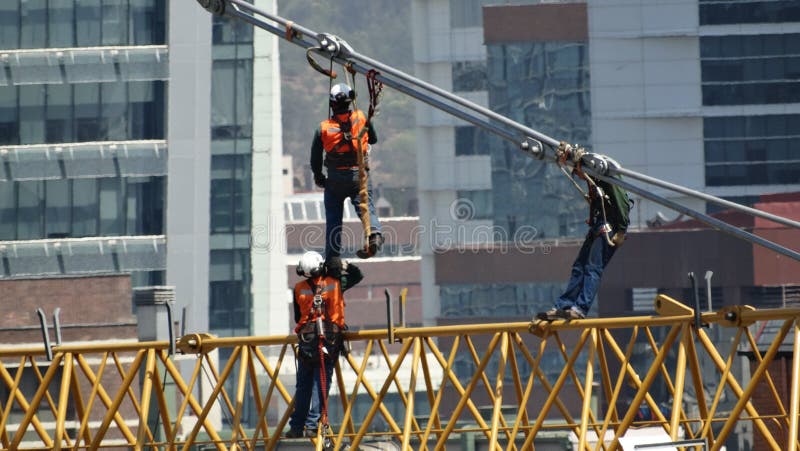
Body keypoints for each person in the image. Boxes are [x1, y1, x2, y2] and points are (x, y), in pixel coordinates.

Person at [537, 166, 632, 320]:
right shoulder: (593, 180)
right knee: (579, 266)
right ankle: (564, 306)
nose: (578, 175)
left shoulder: (605, 176)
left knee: (593, 267)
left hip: (609, 226)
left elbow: (622, 202)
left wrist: (621, 230)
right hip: (598, 225)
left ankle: (580, 308)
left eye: (577, 171)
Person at [286, 251, 363, 438]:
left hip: (306, 343)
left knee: (303, 386)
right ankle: (313, 425)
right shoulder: (335, 283)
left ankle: (296, 427)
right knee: (320, 383)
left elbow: (298, 317)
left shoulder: (299, 288)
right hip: (328, 341)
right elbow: (358, 275)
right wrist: (342, 265)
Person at [311, 83, 383, 267]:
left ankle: (333, 259)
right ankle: (374, 234)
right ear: (350, 102)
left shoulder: (323, 128)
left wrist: (319, 176)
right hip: (359, 176)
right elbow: (373, 139)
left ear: (332, 104)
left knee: (333, 220)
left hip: (335, 180)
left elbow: (315, 158)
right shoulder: (361, 117)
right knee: (366, 208)